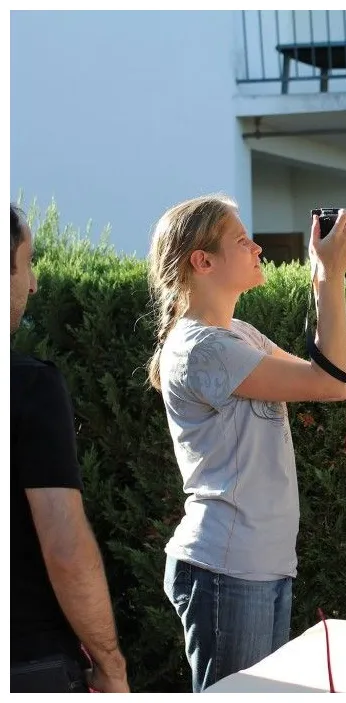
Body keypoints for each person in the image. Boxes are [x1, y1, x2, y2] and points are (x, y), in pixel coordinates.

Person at [146, 196, 346, 692]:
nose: (257, 246)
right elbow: (331, 382)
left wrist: (323, 274)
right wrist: (328, 275)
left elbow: (331, 378)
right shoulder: (204, 347)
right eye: (241, 240)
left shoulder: (236, 334)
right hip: (227, 564)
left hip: (257, 563)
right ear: (203, 261)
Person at [10, 205, 130, 693]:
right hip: (26, 662)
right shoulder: (26, 386)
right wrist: (111, 665)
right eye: (26, 261)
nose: (33, 283)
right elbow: (65, 546)